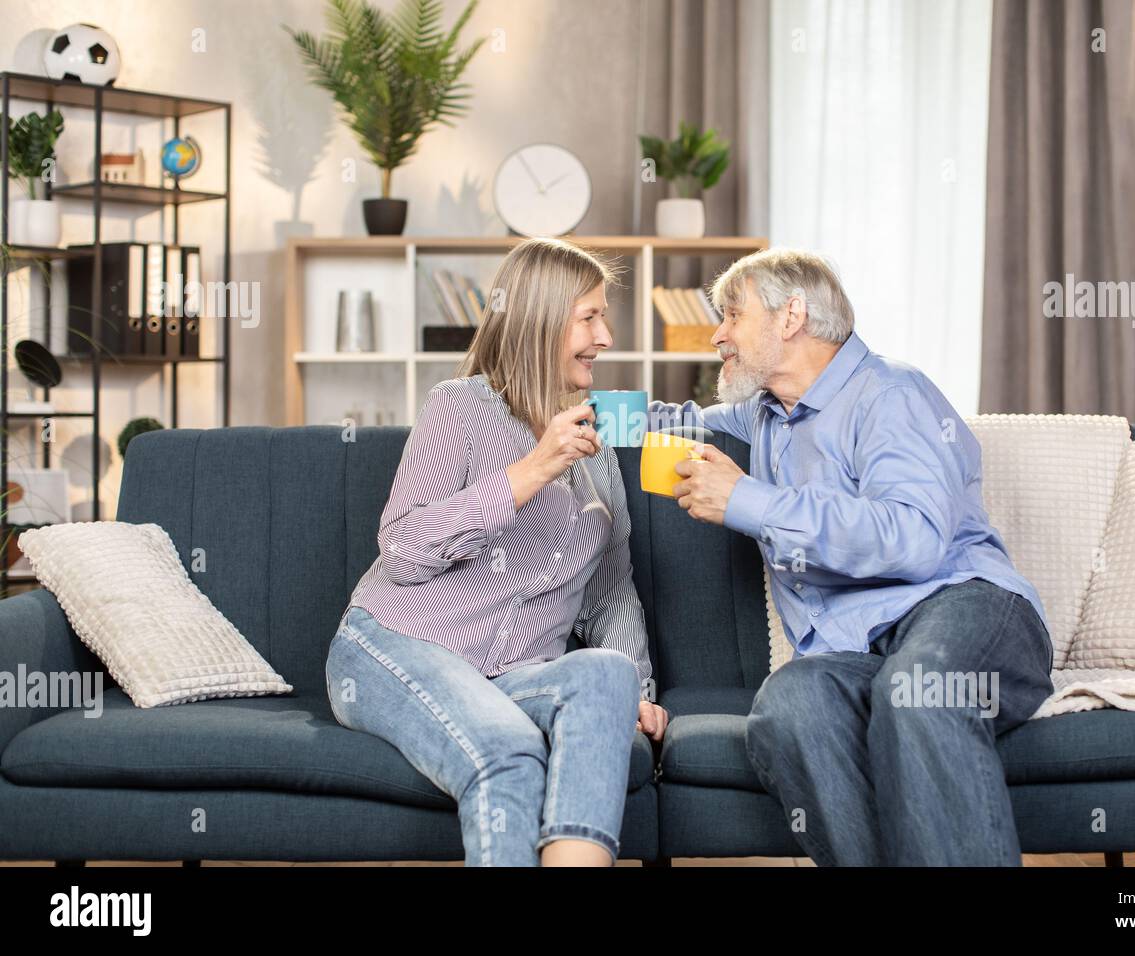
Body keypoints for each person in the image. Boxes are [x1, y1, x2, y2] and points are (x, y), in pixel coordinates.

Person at [648, 247, 1054, 866]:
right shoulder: (764, 415)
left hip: (958, 609)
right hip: (856, 654)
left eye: (732, 315)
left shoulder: (892, 394)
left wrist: (749, 500)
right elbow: (675, 420)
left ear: (792, 316)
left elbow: (914, 540)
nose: (717, 334)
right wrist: (559, 407)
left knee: (919, 691)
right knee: (788, 706)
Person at [325, 237, 667, 867]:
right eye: (589, 317)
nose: (607, 336)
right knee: (508, 748)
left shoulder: (598, 451)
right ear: (540, 322)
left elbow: (612, 591)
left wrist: (638, 690)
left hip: (511, 674)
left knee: (608, 675)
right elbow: (402, 549)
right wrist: (530, 471)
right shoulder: (458, 408)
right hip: (397, 645)